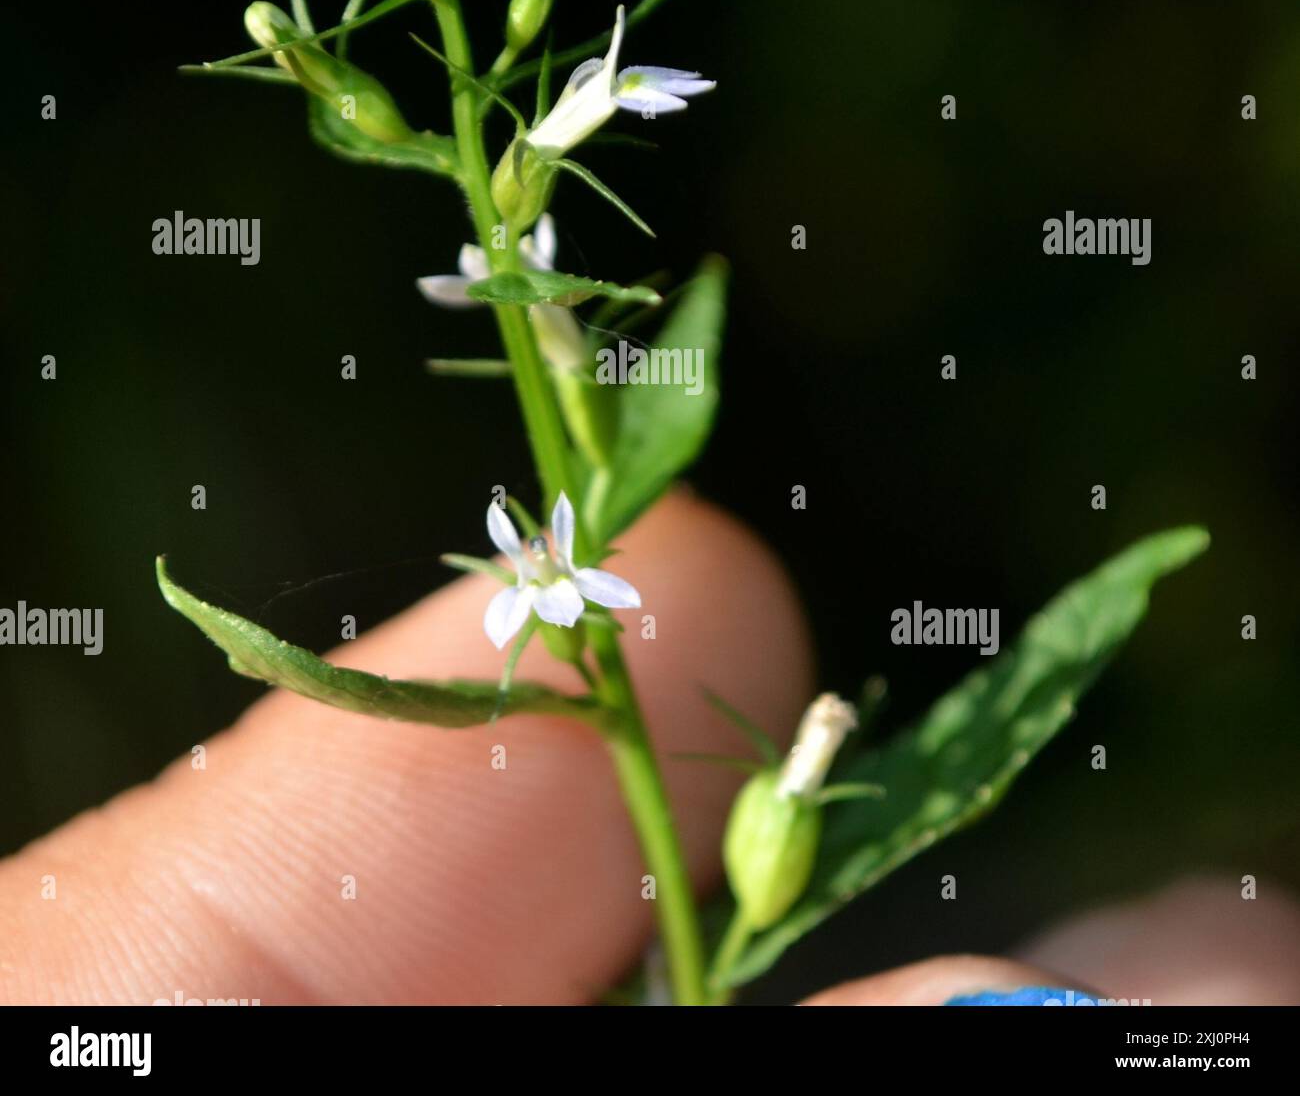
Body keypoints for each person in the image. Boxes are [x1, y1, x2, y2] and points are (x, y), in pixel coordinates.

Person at [1, 492, 1295, 1005]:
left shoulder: (573, 608)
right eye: (539, 555)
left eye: (551, 553)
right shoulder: (549, 611)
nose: (544, 561)